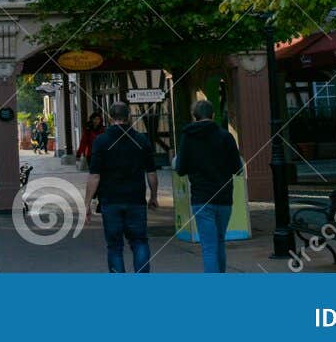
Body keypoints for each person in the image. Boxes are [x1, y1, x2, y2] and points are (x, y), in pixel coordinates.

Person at [84, 100, 158, 273]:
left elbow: (94, 176)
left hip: (110, 201)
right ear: (129, 117)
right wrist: (153, 196)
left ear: (110, 118)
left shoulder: (101, 141)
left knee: (114, 247)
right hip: (136, 200)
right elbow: (152, 173)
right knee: (140, 242)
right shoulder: (141, 140)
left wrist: (87, 202)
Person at [174, 100, 244, 273]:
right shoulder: (225, 136)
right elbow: (237, 168)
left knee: (209, 246)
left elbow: (181, 169)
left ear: (194, 116)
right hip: (224, 196)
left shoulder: (188, 137)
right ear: (213, 115)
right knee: (220, 242)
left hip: (202, 197)